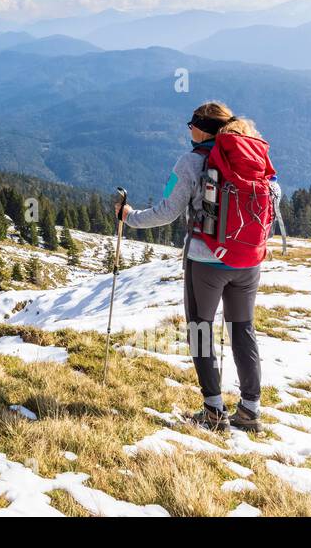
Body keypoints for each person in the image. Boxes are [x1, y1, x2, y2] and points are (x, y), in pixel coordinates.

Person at [117, 101, 281, 432]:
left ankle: (213, 411)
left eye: (191, 124)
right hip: (249, 260)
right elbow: (272, 198)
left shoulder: (191, 162)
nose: (188, 129)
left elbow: (166, 210)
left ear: (202, 129)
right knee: (242, 329)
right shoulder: (254, 158)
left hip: (207, 261)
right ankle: (250, 411)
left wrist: (129, 217)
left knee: (201, 329)